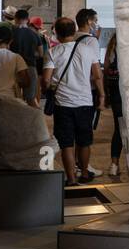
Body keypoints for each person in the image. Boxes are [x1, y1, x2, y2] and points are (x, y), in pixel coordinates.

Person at [43, 16, 104, 186]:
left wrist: (49, 87)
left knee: (66, 143)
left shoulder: (53, 52)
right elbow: (97, 75)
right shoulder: (88, 50)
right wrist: (101, 96)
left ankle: (71, 178)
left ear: (57, 33)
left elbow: (46, 80)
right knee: (84, 141)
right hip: (85, 103)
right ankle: (84, 173)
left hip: (63, 105)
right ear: (74, 30)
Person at [8, 9, 43, 107]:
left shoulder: (11, 33)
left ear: (15, 19)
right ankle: (37, 116)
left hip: (14, 68)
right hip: (30, 67)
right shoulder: (35, 34)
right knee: (31, 98)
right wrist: (31, 53)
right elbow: (41, 53)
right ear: (28, 20)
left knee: (15, 99)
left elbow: (6, 49)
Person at [103, 36, 124, 177]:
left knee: (118, 128)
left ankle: (114, 165)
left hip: (114, 90)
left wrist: (105, 94)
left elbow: (105, 70)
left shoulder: (111, 47)